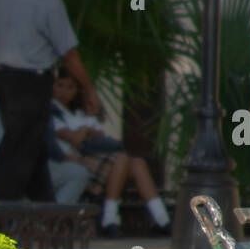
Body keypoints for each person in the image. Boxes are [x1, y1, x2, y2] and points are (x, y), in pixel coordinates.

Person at [0, 0, 99, 200]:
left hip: (3, 79)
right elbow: (68, 52)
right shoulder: (49, 0)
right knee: (19, 145)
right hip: (33, 82)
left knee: (31, 143)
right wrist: (88, 88)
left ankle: (43, 206)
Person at [49, 70, 171, 236]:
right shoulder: (52, 111)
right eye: (60, 85)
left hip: (99, 160)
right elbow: (73, 139)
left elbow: (99, 136)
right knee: (122, 159)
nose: (64, 91)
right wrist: (86, 130)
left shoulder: (82, 112)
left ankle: (161, 220)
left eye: (70, 87)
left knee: (137, 163)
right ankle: (109, 218)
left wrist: (83, 132)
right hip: (74, 161)